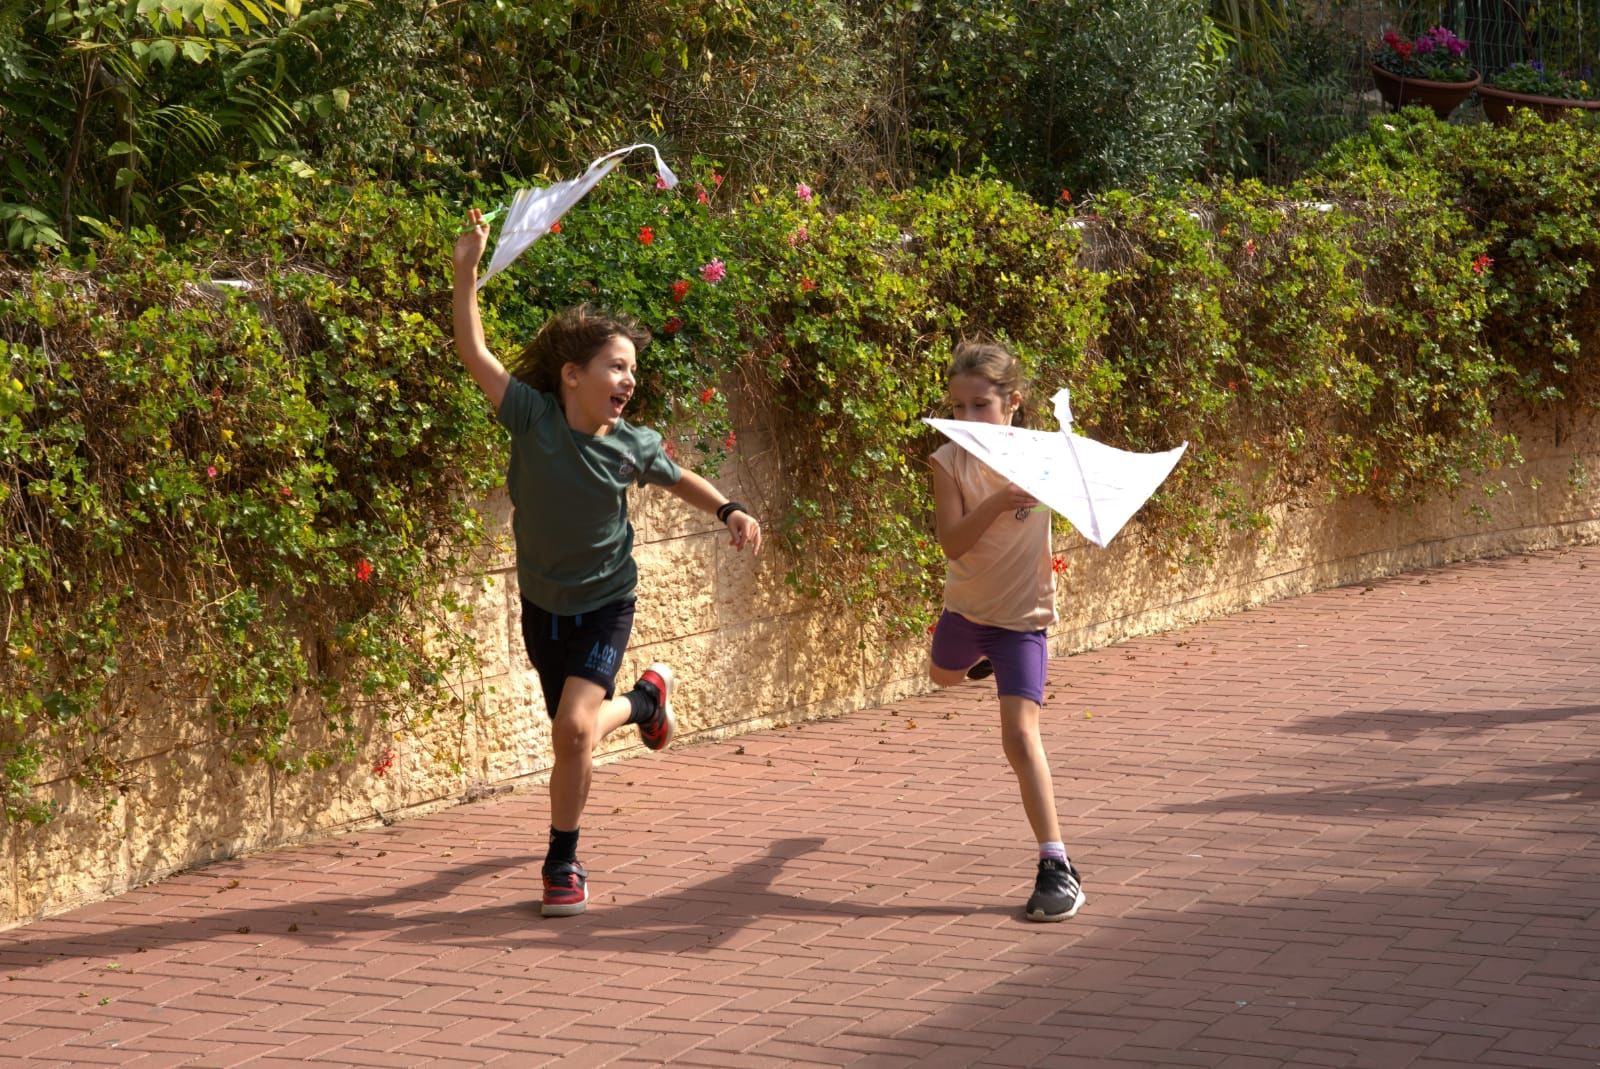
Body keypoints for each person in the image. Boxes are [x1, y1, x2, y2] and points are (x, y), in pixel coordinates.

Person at [452, 207, 762, 917]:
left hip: (606, 602)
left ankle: (562, 863)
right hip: (543, 605)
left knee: (572, 731)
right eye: (615, 366)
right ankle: (646, 702)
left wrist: (730, 509)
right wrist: (467, 272)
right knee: (576, 735)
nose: (628, 379)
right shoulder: (531, 417)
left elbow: (679, 477)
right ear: (572, 375)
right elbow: (474, 352)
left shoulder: (632, 445)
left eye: (632, 370)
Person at [927, 340, 1084, 922]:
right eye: (957, 407)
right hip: (966, 611)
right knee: (943, 677)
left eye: (980, 405)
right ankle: (980, 662)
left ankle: (1056, 866)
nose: (967, 417)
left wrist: (1067, 486)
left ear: (1012, 403)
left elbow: (1086, 499)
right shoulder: (948, 461)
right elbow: (952, 543)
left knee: (1019, 737)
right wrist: (996, 502)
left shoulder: (1047, 457)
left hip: (1022, 621)